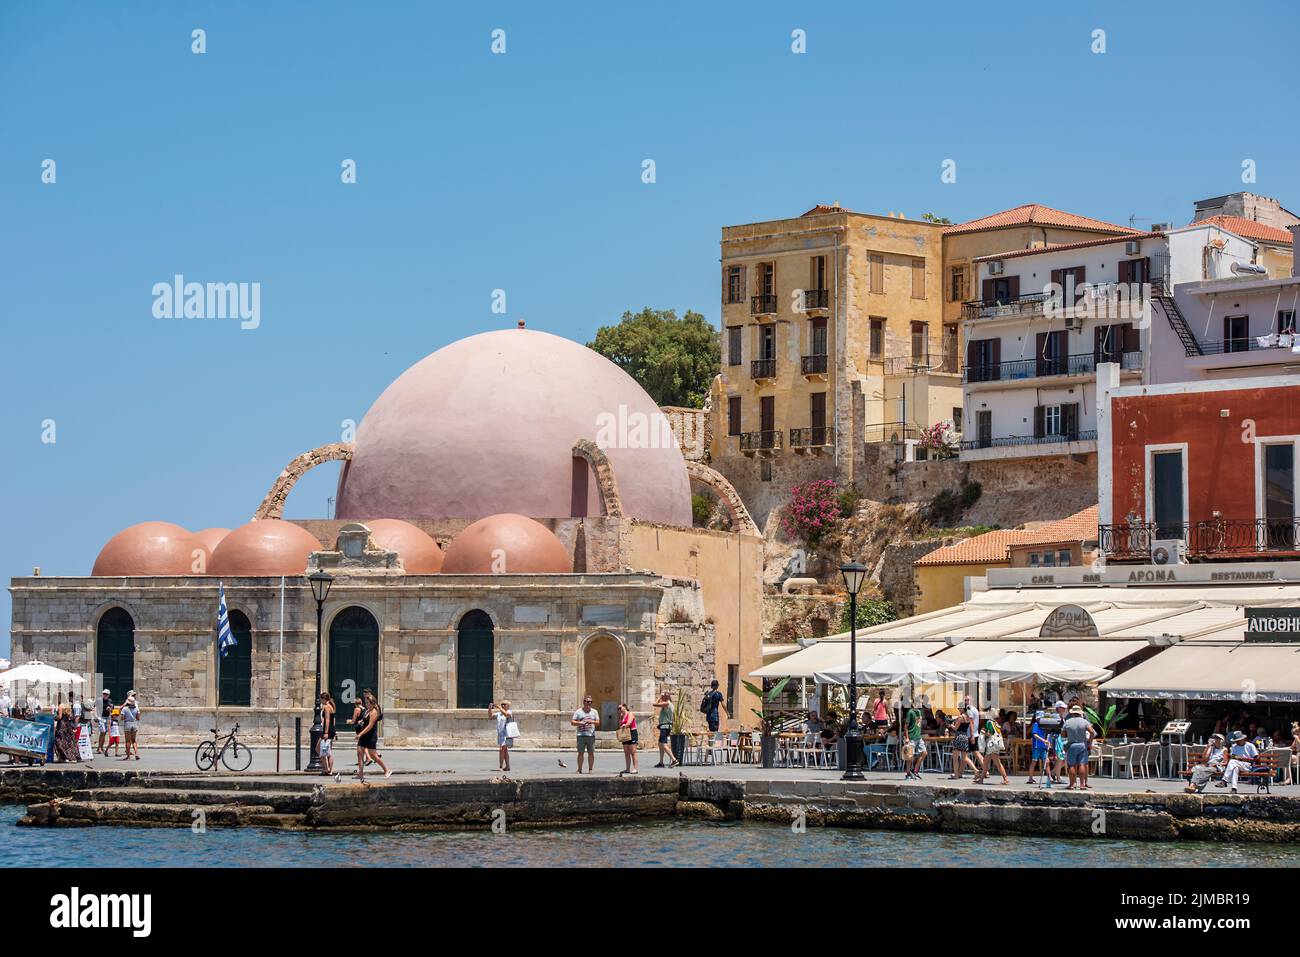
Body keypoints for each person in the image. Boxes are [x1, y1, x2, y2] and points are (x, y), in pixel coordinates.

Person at [357, 690, 391, 781]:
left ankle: (386, 770)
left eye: (368, 703)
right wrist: (361, 721)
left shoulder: (374, 712)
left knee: (373, 755)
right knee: (360, 752)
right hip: (365, 735)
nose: (367, 704)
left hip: (370, 736)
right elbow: (365, 720)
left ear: (373, 703)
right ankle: (360, 773)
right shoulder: (368, 710)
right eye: (366, 702)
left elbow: (370, 725)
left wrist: (360, 734)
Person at [1062, 705, 1093, 790]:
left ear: (1072, 713)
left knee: (1071, 765)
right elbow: (1092, 732)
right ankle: (1082, 784)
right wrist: (1089, 742)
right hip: (1082, 745)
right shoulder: (1084, 722)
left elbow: (1063, 734)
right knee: (1082, 764)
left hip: (1071, 745)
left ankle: (1072, 785)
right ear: (1080, 713)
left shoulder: (1067, 722)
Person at [1219, 730, 1259, 795]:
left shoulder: (1250, 746)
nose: (1237, 742)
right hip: (1236, 763)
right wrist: (1235, 757)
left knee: (1232, 762)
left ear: (1243, 739)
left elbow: (1256, 758)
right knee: (1235, 768)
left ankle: (1224, 780)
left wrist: (1243, 759)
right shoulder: (1234, 746)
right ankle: (1234, 789)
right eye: (1236, 741)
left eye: (1238, 740)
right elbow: (1233, 756)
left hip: (1247, 765)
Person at [975, 716, 1010, 785]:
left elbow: (990, 733)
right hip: (996, 745)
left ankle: (1005, 779)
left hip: (991, 745)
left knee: (993, 762)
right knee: (988, 762)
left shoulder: (989, 722)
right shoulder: (995, 723)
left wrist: (983, 733)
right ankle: (981, 779)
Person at [571, 694, 599, 774]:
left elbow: (598, 723)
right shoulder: (578, 712)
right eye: (587, 701)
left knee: (591, 753)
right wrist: (581, 723)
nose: (589, 703)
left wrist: (592, 722)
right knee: (580, 753)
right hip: (581, 735)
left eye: (590, 702)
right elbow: (572, 722)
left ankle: (590, 769)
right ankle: (579, 769)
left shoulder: (594, 712)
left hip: (591, 735)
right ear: (584, 702)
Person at [652, 689, 678, 769]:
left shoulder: (666, 703)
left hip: (665, 726)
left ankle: (674, 760)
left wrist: (659, 697)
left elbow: (654, 704)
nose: (662, 697)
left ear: (665, 697)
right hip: (666, 726)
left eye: (663, 696)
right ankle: (661, 762)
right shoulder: (670, 704)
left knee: (663, 744)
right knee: (660, 744)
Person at [488, 699, 514, 773]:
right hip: (500, 734)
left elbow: (506, 714)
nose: (502, 705)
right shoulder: (499, 714)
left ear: (508, 706)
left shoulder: (509, 712)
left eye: (504, 704)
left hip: (507, 734)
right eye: (502, 704)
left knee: (501, 749)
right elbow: (490, 717)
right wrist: (490, 709)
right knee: (505, 750)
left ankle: (500, 766)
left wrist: (499, 707)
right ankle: (508, 766)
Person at [903, 699, 926, 780]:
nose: (921, 704)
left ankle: (915, 770)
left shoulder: (919, 712)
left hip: (918, 737)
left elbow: (918, 725)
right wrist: (907, 738)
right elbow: (905, 726)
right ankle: (908, 773)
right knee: (909, 756)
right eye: (920, 703)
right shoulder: (910, 712)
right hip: (911, 737)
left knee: (924, 753)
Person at [1027, 711, 1049, 785]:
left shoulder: (1044, 726)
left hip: (1043, 746)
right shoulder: (1036, 724)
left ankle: (1049, 777)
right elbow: (1035, 735)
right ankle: (1030, 778)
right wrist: (1043, 740)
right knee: (1034, 761)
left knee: (1046, 761)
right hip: (1037, 746)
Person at [617, 702, 639, 775]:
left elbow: (629, 723)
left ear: (624, 707)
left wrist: (624, 725)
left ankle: (635, 768)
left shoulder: (630, 714)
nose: (619, 709)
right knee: (626, 752)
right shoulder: (621, 716)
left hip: (632, 732)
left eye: (620, 708)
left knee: (633, 752)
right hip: (625, 734)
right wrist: (621, 720)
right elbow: (620, 725)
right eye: (618, 709)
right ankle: (627, 768)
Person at [318, 691, 336, 775]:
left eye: (321, 699)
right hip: (332, 730)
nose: (320, 701)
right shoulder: (332, 706)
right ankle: (330, 770)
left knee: (318, 749)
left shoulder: (326, 707)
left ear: (324, 699)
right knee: (329, 751)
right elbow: (333, 720)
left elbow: (327, 720)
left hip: (327, 730)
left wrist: (325, 732)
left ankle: (326, 768)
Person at [120, 693, 141, 760]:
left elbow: (122, 718)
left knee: (127, 741)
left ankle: (128, 756)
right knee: (134, 740)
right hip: (134, 724)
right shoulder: (136, 709)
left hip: (127, 724)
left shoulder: (125, 709)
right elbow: (138, 718)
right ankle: (136, 753)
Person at [96, 689, 112, 754]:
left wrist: (110, 709)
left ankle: (101, 746)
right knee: (102, 732)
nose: (105, 695)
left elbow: (111, 709)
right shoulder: (99, 700)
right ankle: (99, 748)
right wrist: (96, 717)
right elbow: (95, 708)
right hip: (101, 717)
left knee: (104, 733)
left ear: (108, 695)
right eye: (104, 694)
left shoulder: (110, 701)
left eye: (106, 694)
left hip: (107, 717)